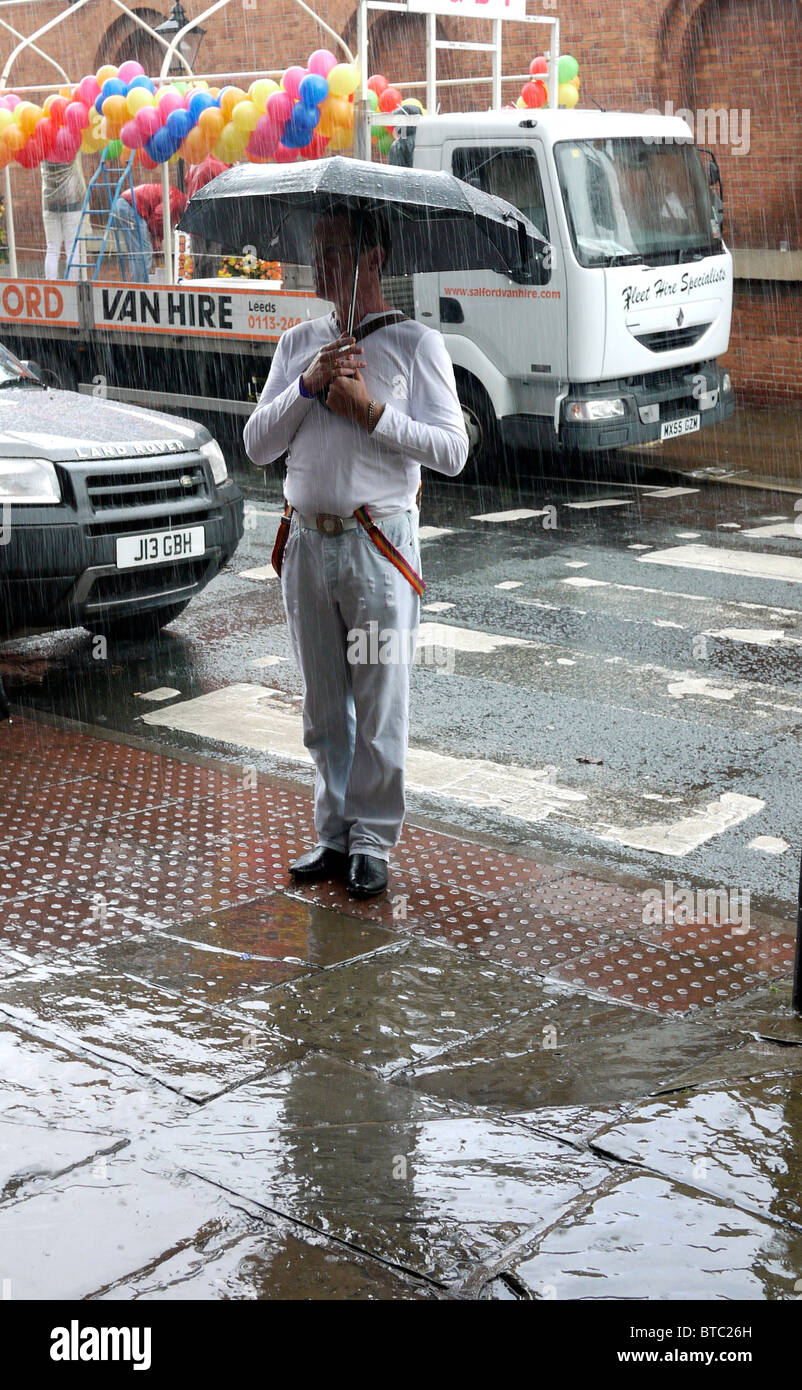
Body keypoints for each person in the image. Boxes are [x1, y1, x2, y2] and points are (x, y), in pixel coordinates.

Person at [243, 204, 468, 898]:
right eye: (318, 250)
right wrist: (308, 388)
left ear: (374, 257)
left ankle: (373, 838)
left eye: (336, 250)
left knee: (379, 702)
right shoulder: (297, 344)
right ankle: (334, 833)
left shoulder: (413, 345)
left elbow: (453, 451)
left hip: (377, 545)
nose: (322, 266)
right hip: (307, 543)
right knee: (322, 704)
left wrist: (373, 413)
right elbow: (257, 445)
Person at [41, 154, 86, 280]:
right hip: (71, 198)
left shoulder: (43, 148)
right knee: (72, 246)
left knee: (52, 247)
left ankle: (50, 286)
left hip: (49, 201)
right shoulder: (68, 145)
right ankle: (72, 285)